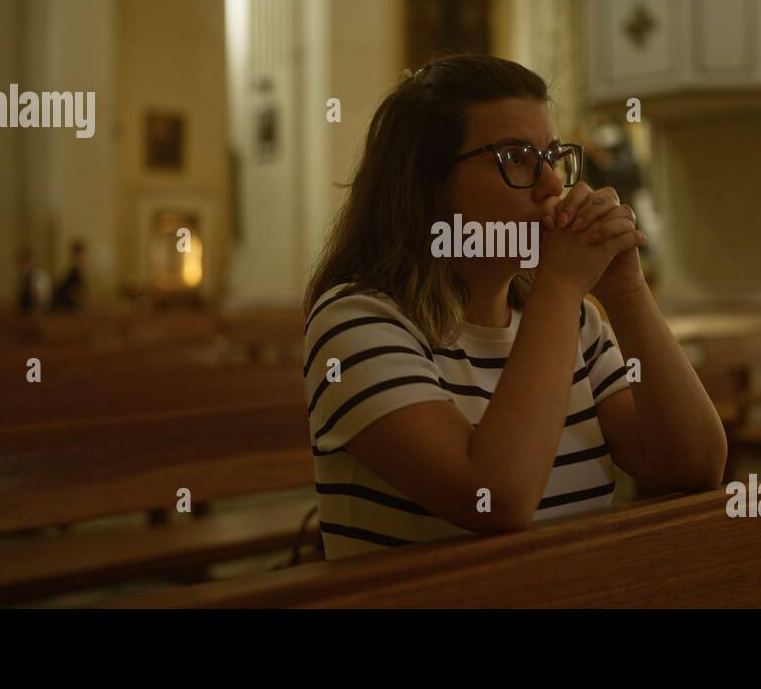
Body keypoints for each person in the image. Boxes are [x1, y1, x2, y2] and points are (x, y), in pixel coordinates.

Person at [302, 54, 727, 560]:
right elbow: (494, 499)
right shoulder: (356, 322)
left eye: (552, 157)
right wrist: (562, 285)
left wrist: (625, 292)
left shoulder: (576, 322)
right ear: (427, 183)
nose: (552, 185)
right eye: (517, 158)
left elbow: (694, 465)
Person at [51, 239, 88, 312]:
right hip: (67, 309)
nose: (85, 257)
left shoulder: (78, 271)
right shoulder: (72, 272)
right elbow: (73, 292)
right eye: (83, 254)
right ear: (77, 255)